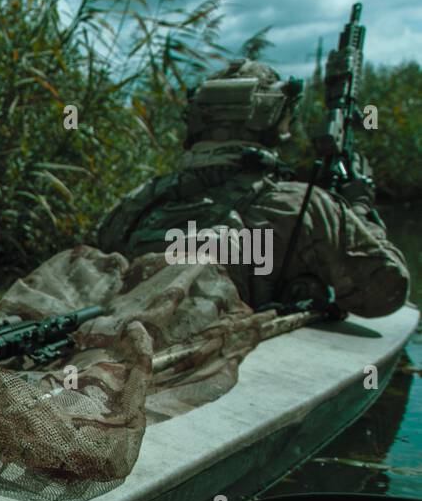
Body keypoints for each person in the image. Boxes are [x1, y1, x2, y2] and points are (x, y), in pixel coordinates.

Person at [97, 59, 409, 317]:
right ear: (275, 118)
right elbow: (384, 293)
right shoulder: (302, 207)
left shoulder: (138, 201)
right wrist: (359, 209)